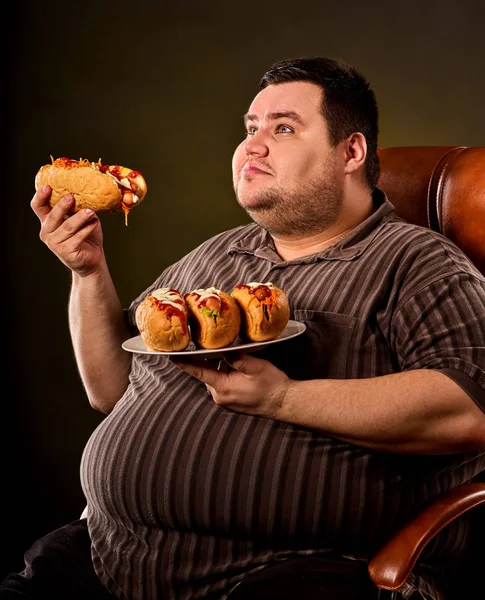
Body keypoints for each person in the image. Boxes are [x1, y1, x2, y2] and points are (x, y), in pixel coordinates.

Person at [2, 56, 485, 600]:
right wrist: (88, 271)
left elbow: (469, 411)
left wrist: (282, 399)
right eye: (250, 128)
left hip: (290, 573)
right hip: (109, 556)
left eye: (282, 128)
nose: (252, 146)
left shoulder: (418, 263)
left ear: (351, 152)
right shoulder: (212, 258)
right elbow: (111, 389)